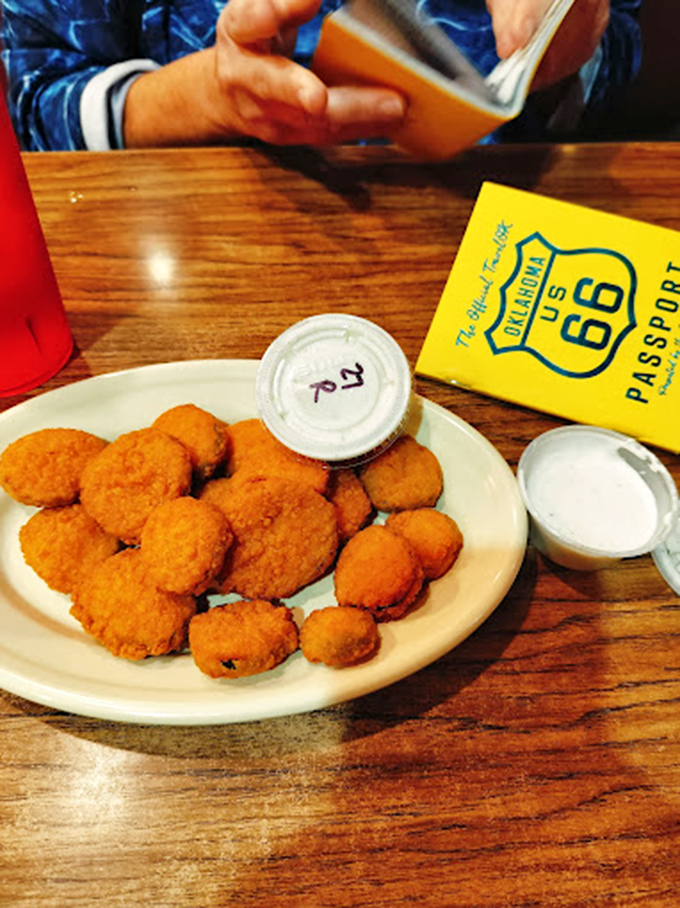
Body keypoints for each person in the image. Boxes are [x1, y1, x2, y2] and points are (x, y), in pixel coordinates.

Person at [1, 0, 641, 153]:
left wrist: (564, 54)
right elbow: (37, 101)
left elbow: (623, 49)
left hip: (489, 212)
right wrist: (205, 96)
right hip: (192, 232)